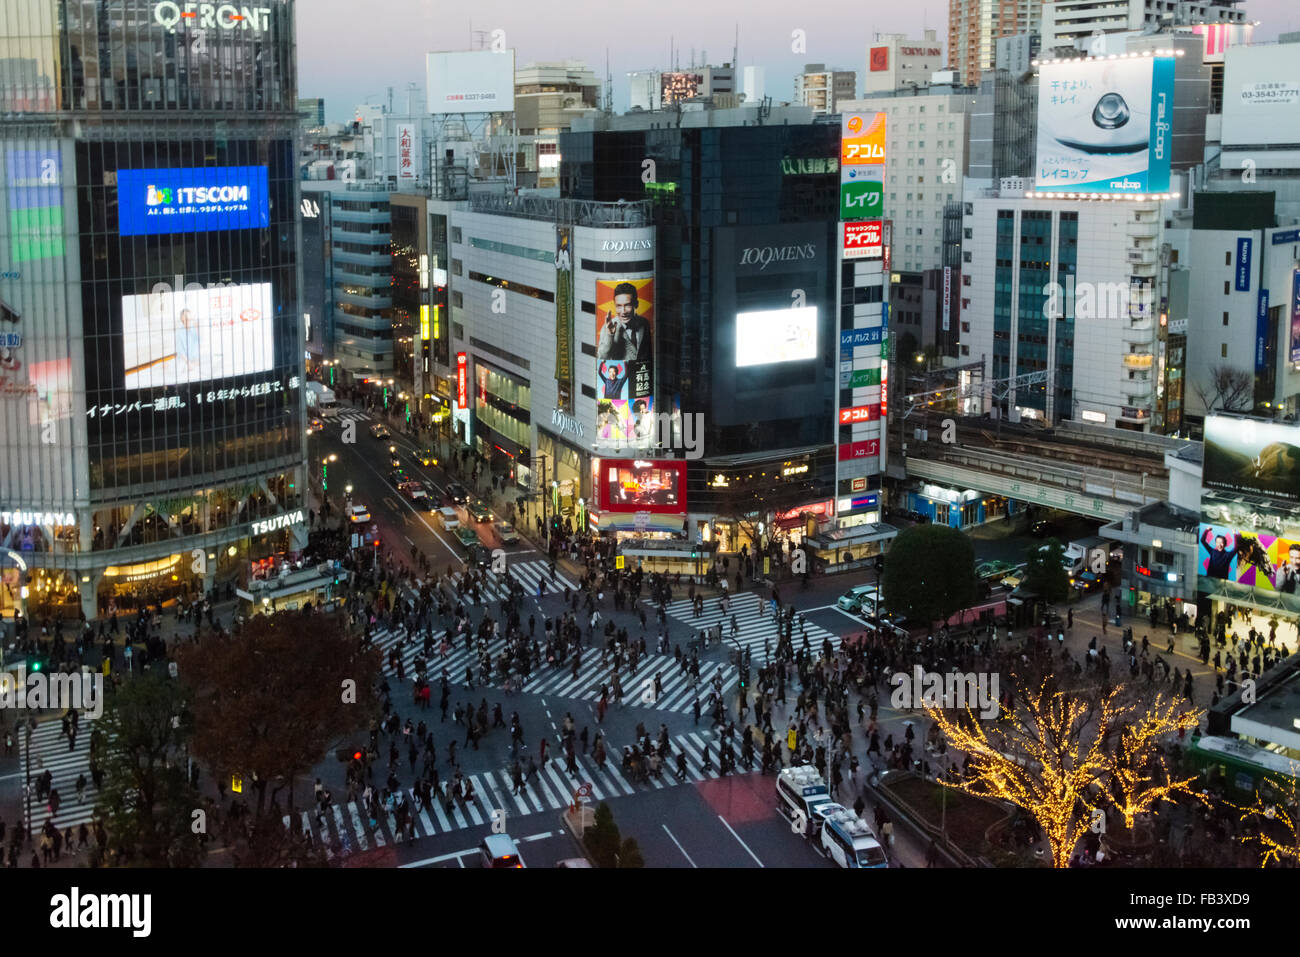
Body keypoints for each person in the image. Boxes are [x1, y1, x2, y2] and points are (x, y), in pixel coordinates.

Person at [596, 282, 652, 362]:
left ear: (636, 304)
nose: (623, 311)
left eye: (627, 305)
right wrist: (610, 335)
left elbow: (648, 354)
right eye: (619, 306)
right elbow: (602, 357)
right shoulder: (608, 327)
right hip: (621, 373)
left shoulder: (644, 323)